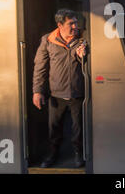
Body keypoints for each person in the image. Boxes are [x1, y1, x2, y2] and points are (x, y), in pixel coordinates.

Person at [32, 9, 87, 168]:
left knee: (78, 129)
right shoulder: (48, 40)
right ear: (60, 25)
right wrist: (37, 91)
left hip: (78, 93)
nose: (75, 26)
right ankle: (52, 154)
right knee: (54, 129)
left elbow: (90, 63)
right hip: (56, 94)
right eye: (71, 23)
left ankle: (79, 154)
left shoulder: (83, 39)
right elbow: (40, 67)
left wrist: (84, 56)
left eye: (76, 22)